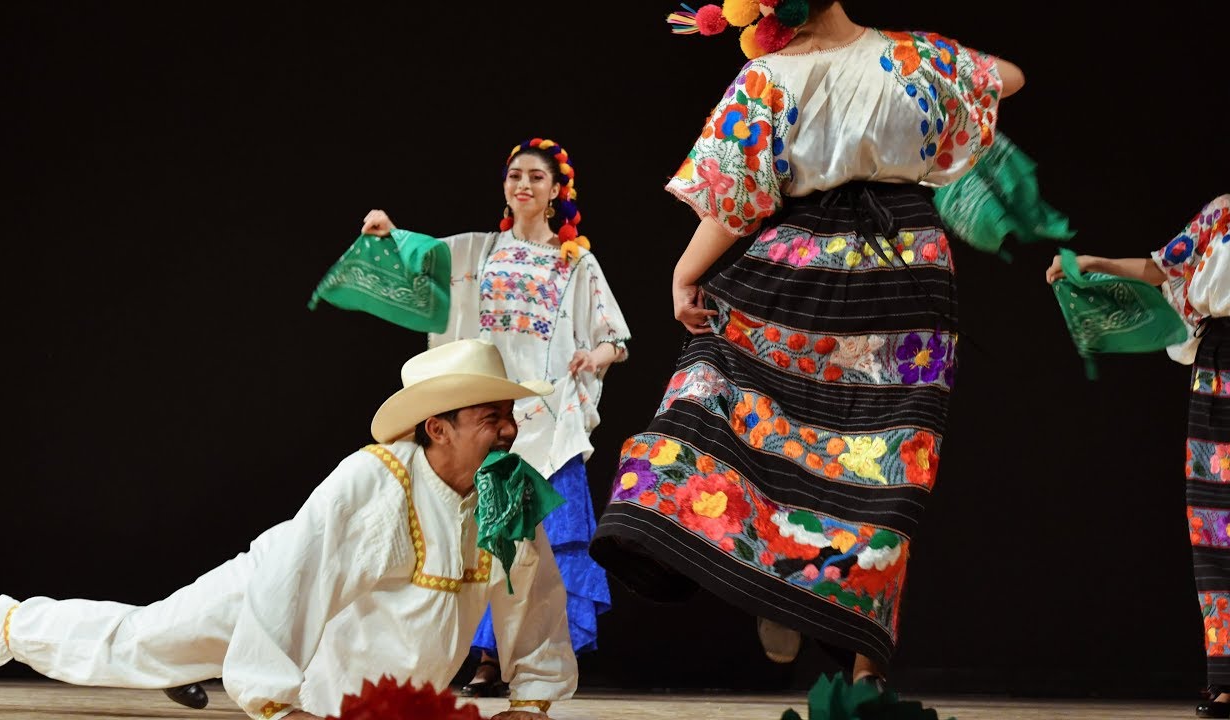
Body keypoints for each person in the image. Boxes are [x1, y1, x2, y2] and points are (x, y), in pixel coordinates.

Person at [588, 0, 1025, 691]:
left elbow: (734, 199)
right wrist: (932, 85)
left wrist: (683, 274)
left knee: (723, 396)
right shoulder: (913, 58)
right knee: (883, 466)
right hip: (909, 270)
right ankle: (861, 663)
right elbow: (1007, 77)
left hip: (802, 268)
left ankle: (778, 580)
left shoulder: (771, 77)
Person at [0, 339, 576, 720]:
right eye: (492, 417)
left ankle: (192, 666)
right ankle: (0, 627)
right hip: (271, 590)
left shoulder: (510, 492)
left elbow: (536, 595)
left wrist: (531, 700)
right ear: (438, 428)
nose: (510, 430)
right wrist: (275, 700)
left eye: (511, 416)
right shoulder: (373, 479)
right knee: (141, 643)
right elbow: (298, 581)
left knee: (168, 652)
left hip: (338, 637)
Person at [354, 137, 630, 696]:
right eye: (514, 176)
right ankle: (485, 657)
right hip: (489, 418)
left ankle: (537, 662)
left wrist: (592, 355)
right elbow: (423, 258)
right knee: (489, 541)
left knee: (542, 544)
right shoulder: (479, 252)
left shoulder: (576, 262)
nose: (522, 185)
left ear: (556, 191)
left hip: (548, 418)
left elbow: (615, 338)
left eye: (534, 177)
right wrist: (389, 233)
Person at [1046, 195, 1230, 719]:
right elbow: (1162, 267)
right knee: (1216, 526)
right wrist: (1093, 264)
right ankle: (1227, 679)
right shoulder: (1223, 214)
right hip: (1221, 369)